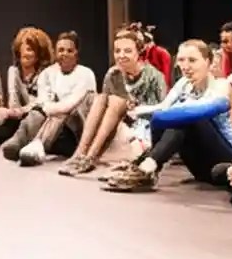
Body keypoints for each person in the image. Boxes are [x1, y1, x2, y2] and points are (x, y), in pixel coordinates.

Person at [103, 40, 232, 193]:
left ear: (208, 62)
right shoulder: (184, 83)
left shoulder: (221, 85)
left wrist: (162, 115)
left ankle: (147, 166)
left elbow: (205, 110)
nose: (185, 66)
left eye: (192, 60)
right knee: (176, 119)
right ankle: (147, 167)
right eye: (182, 60)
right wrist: (137, 110)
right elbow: (164, 107)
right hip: (201, 168)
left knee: (186, 119)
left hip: (229, 161)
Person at [58, 28, 166, 177]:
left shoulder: (154, 76)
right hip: (114, 127)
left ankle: (90, 157)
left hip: (141, 128)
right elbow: (104, 106)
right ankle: (80, 154)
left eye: (127, 51)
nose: (121, 56)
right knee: (102, 98)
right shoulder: (113, 73)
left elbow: (162, 111)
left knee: (116, 101)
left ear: (138, 52)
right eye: (117, 51)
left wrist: (136, 109)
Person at [4, 31, 97, 166]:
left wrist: (54, 108)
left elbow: (71, 104)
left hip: (75, 129)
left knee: (63, 111)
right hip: (51, 126)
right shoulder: (48, 73)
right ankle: (19, 141)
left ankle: (37, 145)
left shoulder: (86, 74)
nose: (64, 54)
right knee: (37, 112)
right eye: (60, 50)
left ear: (76, 53)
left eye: (69, 50)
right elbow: (43, 101)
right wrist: (51, 108)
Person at [0, 27, 53, 146]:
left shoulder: (47, 74)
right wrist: (7, 112)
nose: (25, 54)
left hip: (39, 118)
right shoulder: (14, 71)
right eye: (22, 50)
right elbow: (13, 102)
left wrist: (17, 111)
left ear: (39, 54)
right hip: (19, 117)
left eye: (30, 50)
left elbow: (41, 103)